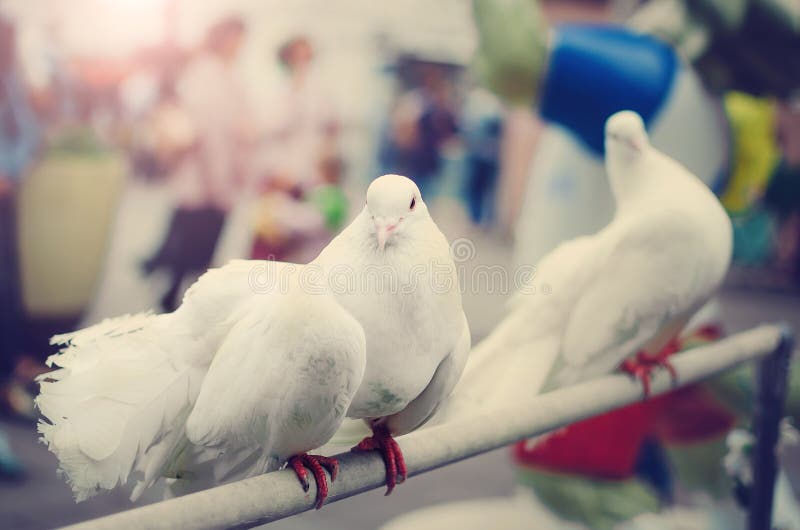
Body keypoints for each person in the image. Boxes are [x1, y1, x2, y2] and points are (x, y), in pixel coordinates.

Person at [143, 16, 251, 311]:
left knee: (193, 245)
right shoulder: (209, 73)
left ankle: (178, 294)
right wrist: (219, 182)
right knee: (196, 247)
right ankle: (181, 300)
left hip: (209, 178)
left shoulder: (215, 72)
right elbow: (209, 132)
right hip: (205, 179)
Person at [0, 15, 40, 479]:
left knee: (8, 286)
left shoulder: (9, 80)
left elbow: (27, 131)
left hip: (5, 198)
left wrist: (9, 169)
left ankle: (11, 371)